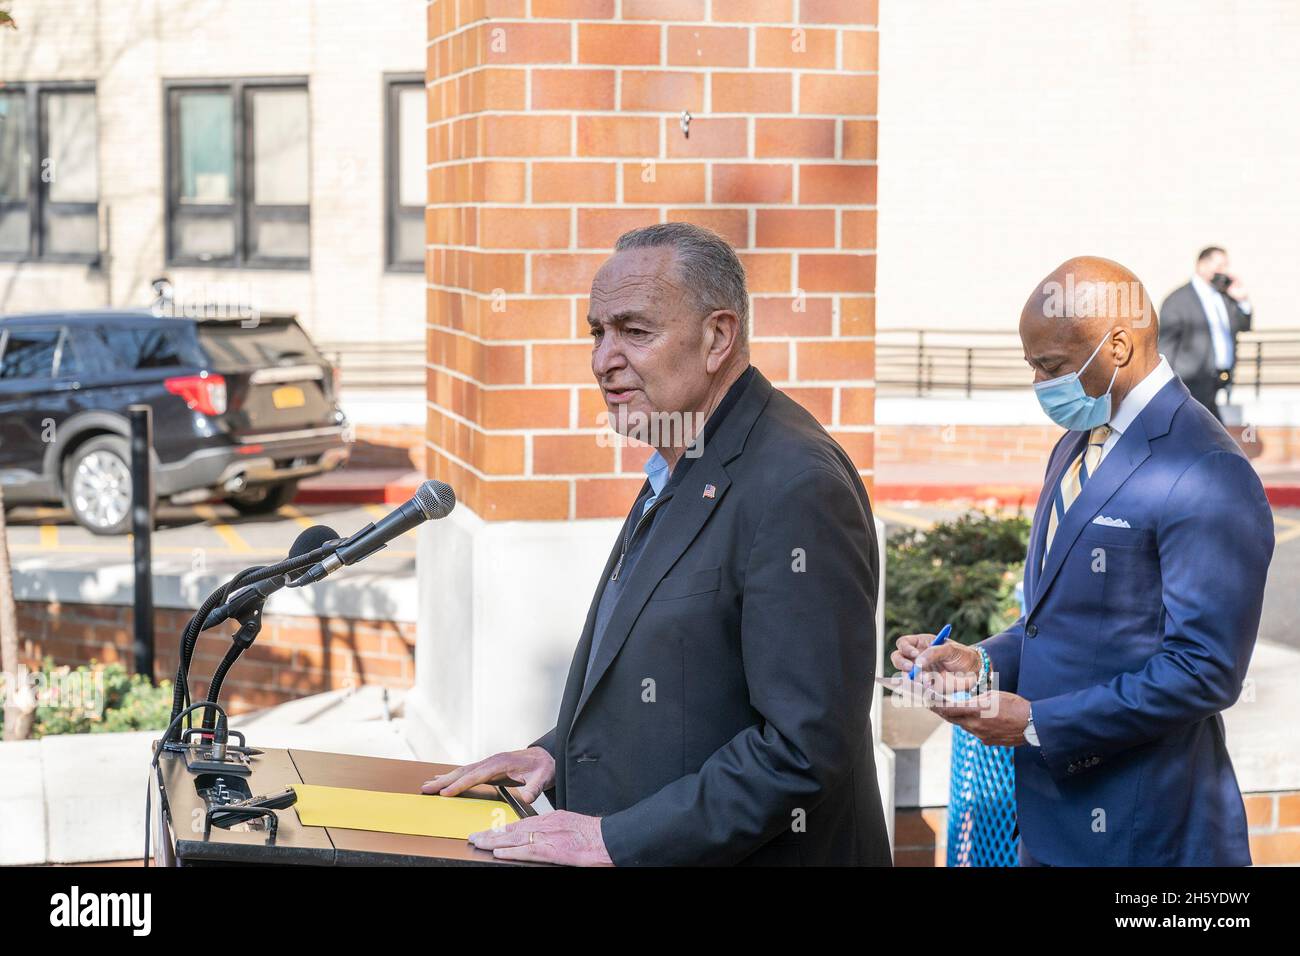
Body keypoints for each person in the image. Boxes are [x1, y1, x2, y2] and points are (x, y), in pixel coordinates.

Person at [421, 222, 892, 866]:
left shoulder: (796, 486)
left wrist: (610, 839)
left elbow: (802, 750)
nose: (603, 360)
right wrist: (559, 753)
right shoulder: (685, 456)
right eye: (597, 331)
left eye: (635, 332)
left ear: (717, 338)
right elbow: (686, 680)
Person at [895, 256, 1273, 866]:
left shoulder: (1207, 468)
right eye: (1032, 366)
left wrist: (1037, 723)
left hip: (1146, 837)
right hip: (1049, 827)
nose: (1040, 385)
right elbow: (1059, 621)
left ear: (1117, 347)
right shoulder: (1075, 443)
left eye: (1050, 367)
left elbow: (1205, 670)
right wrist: (982, 662)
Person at [1158, 246, 1254, 419]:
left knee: (1211, 437)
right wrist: (1166, 388)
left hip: (1217, 382)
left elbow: (1243, 325)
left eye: (1226, 266)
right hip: (1189, 385)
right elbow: (1166, 346)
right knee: (1210, 437)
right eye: (1219, 265)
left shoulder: (1225, 297)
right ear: (1201, 266)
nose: (1224, 271)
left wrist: (1242, 300)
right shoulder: (1178, 300)